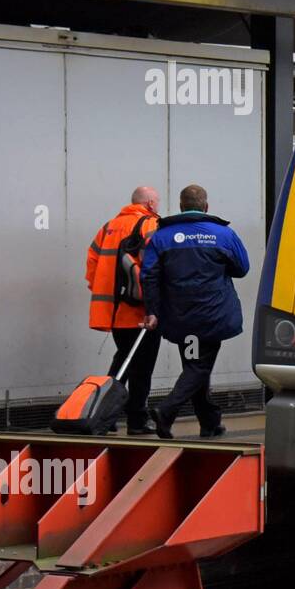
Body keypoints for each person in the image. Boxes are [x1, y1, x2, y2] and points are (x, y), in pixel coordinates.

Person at [141, 184, 250, 439]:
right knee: (199, 367)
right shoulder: (223, 234)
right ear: (206, 206)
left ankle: (209, 423)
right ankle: (166, 410)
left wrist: (152, 311)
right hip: (212, 314)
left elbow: (149, 276)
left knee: (194, 364)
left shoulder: (161, 237)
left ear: (180, 207)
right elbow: (242, 268)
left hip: (180, 316)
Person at [85, 187, 163, 435]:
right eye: (157, 202)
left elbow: (91, 265)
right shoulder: (151, 224)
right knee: (141, 368)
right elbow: (158, 266)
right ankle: (137, 421)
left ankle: (103, 415)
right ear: (150, 203)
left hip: (115, 311)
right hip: (142, 312)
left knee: (122, 364)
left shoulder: (109, 226)